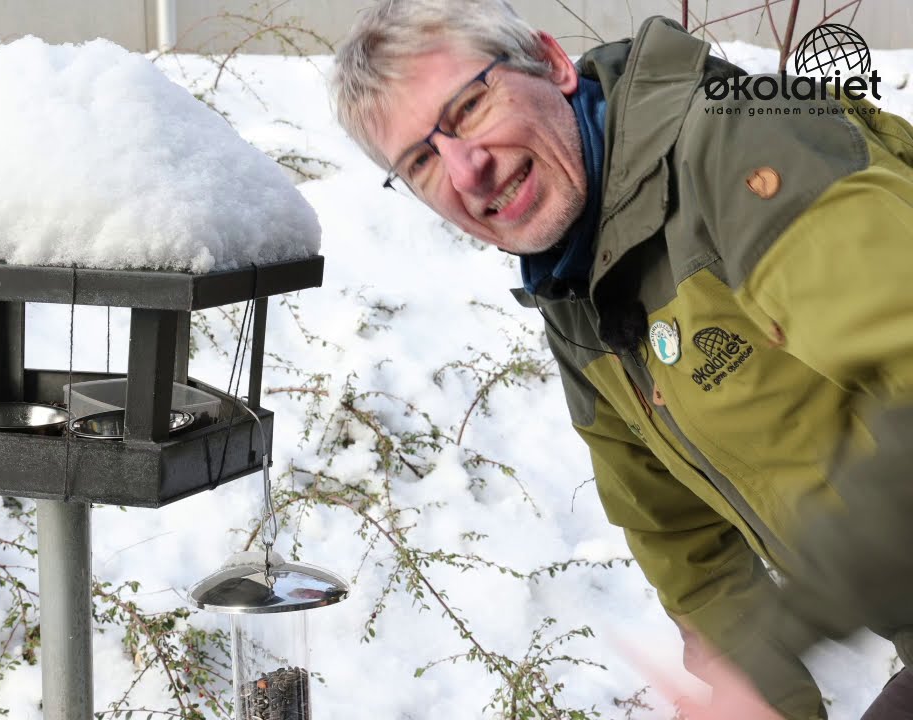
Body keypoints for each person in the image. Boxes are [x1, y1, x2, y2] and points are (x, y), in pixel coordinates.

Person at [330, 1, 913, 718]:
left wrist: (797, 623)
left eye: (471, 107)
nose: (466, 169)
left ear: (551, 64)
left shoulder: (740, 145)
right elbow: (684, 546)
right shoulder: (577, 282)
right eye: (421, 162)